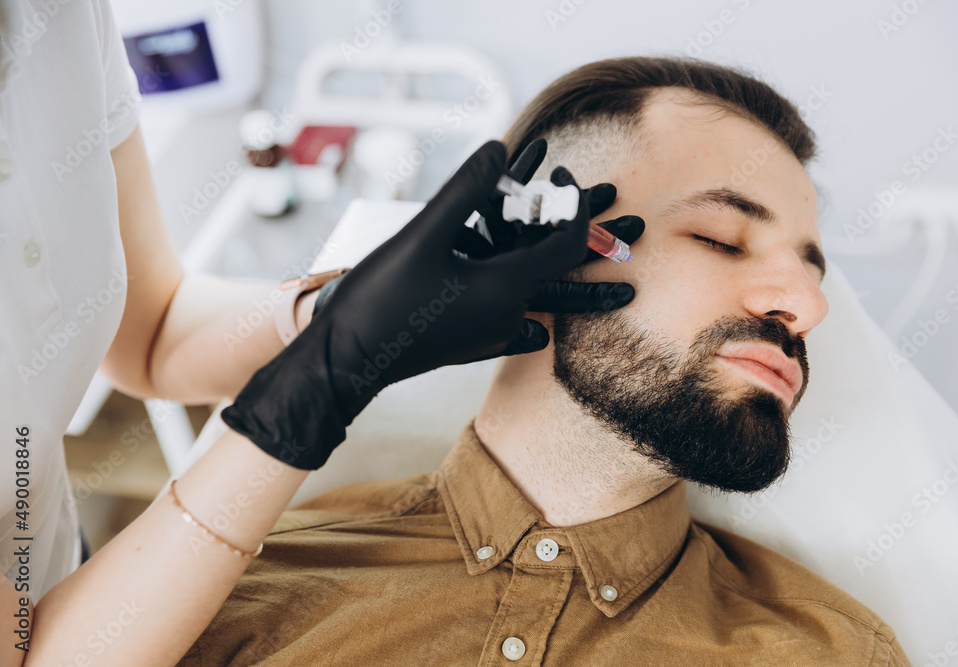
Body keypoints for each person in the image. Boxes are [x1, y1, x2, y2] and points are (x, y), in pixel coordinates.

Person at [176, 57, 913, 666]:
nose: (808, 308)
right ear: (542, 241)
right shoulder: (238, 587)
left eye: (812, 273)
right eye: (722, 237)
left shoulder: (832, 653)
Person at [0, 1, 642, 663]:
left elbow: (154, 332)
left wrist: (339, 306)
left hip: (54, 566)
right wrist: (320, 380)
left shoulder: (60, 20)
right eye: (719, 239)